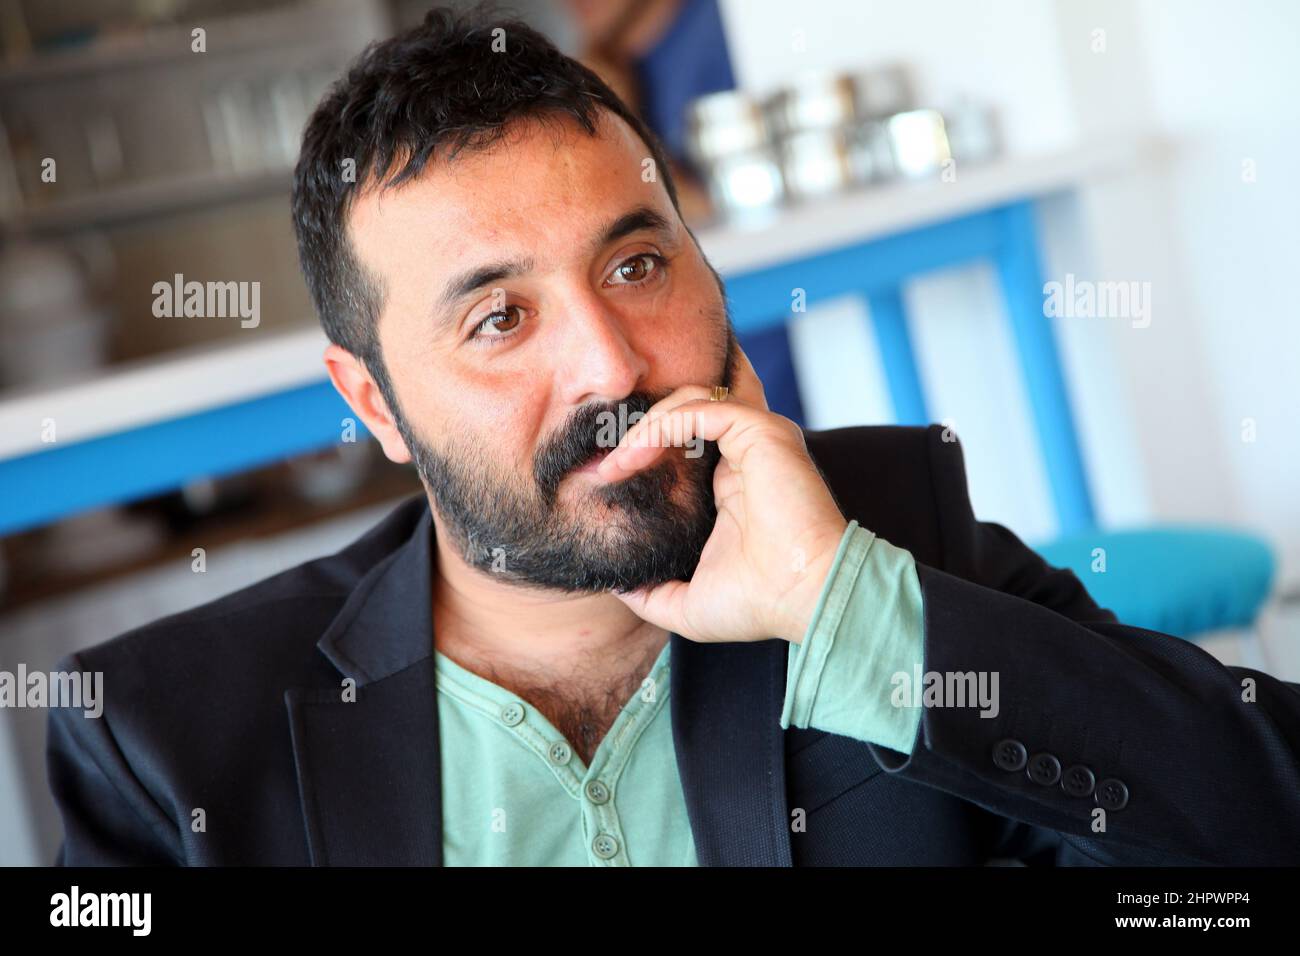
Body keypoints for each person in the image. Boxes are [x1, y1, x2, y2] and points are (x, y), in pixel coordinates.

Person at [45, 4, 1300, 866]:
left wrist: (838, 602)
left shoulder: (883, 527)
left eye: (638, 263)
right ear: (373, 403)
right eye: (498, 316)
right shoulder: (165, 737)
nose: (608, 361)